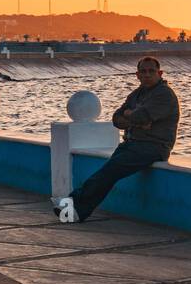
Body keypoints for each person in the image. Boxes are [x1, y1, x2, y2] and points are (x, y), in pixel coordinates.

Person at [55, 56, 179, 223]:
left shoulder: (164, 95)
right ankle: (78, 210)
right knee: (105, 174)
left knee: (108, 173)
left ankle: (72, 207)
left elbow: (141, 116)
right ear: (137, 75)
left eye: (151, 71)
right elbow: (116, 119)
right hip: (132, 144)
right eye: (143, 71)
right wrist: (135, 119)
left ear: (160, 73)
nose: (147, 75)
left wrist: (133, 116)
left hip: (153, 147)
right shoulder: (137, 94)